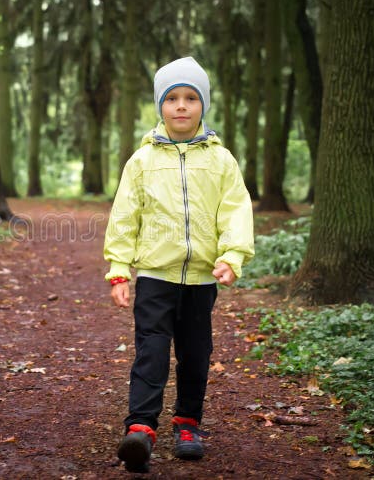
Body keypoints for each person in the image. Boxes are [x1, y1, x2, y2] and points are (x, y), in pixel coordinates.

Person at [103, 56, 254, 473]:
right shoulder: (143, 161)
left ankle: (187, 424)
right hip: (155, 275)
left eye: (191, 97)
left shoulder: (221, 160)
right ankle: (140, 429)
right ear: (160, 106)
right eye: (172, 98)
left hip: (202, 278)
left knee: (195, 354)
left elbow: (235, 210)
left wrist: (232, 256)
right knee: (150, 351)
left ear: (203, 104)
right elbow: (124, 216)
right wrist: (119, 268)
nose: (182, 106)